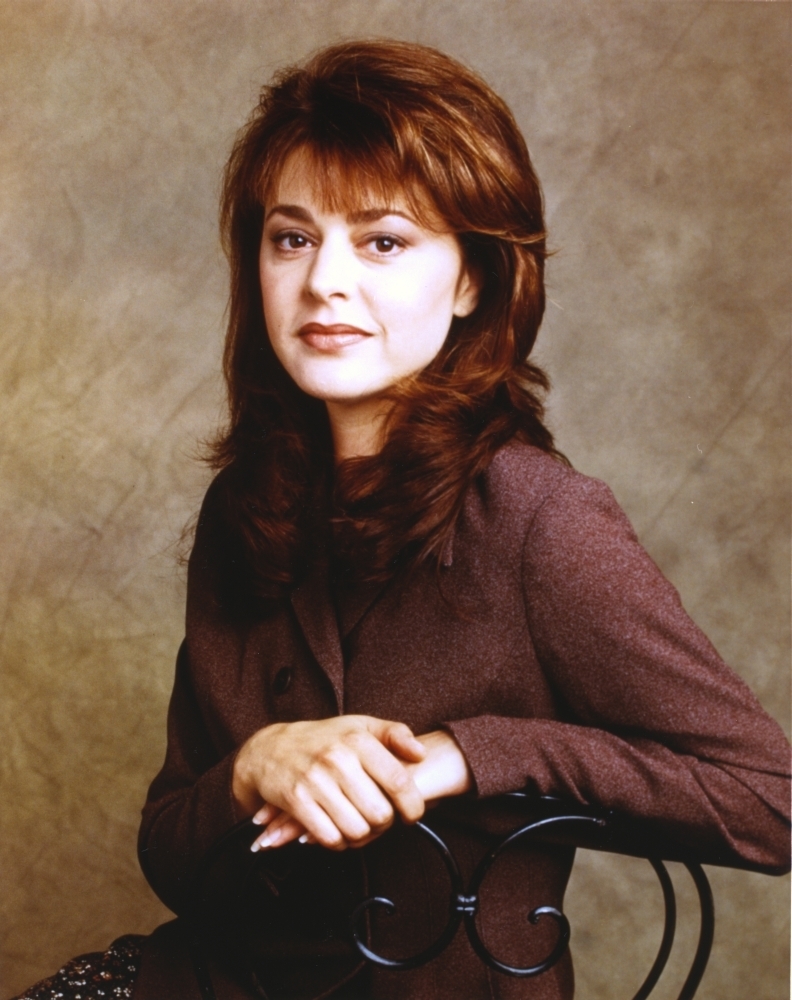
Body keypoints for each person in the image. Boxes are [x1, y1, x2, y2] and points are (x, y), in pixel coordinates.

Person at [15, 39, 790, 1000]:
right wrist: (252, 767)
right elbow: (173, 853)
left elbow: (770, 803)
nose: (324, 282)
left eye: (382, 241)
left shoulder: (544, 522)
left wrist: (472, 755)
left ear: (472, 280)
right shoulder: (241, 508)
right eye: (291, 238)